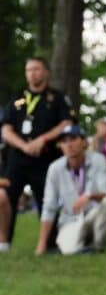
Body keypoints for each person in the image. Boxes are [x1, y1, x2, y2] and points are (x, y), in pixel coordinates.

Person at [1, 58, 76, 250]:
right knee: (6, 197)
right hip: (17, 159)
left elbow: (67, 123)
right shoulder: (18, 98)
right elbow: (6, 130)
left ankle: (50, 244)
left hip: (45, 158)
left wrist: (41, 140)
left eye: (36, 69)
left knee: (47, 198)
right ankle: (3, 241)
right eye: (29, 70)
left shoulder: (57, 98)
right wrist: (23, 145)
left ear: (45, 72)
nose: (32, 73)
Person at [36, 124, 106, 255]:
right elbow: (49, 206)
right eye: (64, 141)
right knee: (69, 251)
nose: (69, 145)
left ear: (84, 142)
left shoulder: (98, 160)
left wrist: (89, 196)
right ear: (61, 146)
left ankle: (98, 245)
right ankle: (83, 245)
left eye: (73, 139)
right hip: (70, 220)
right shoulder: (55, 168)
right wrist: (42, 243)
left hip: (93, 215)